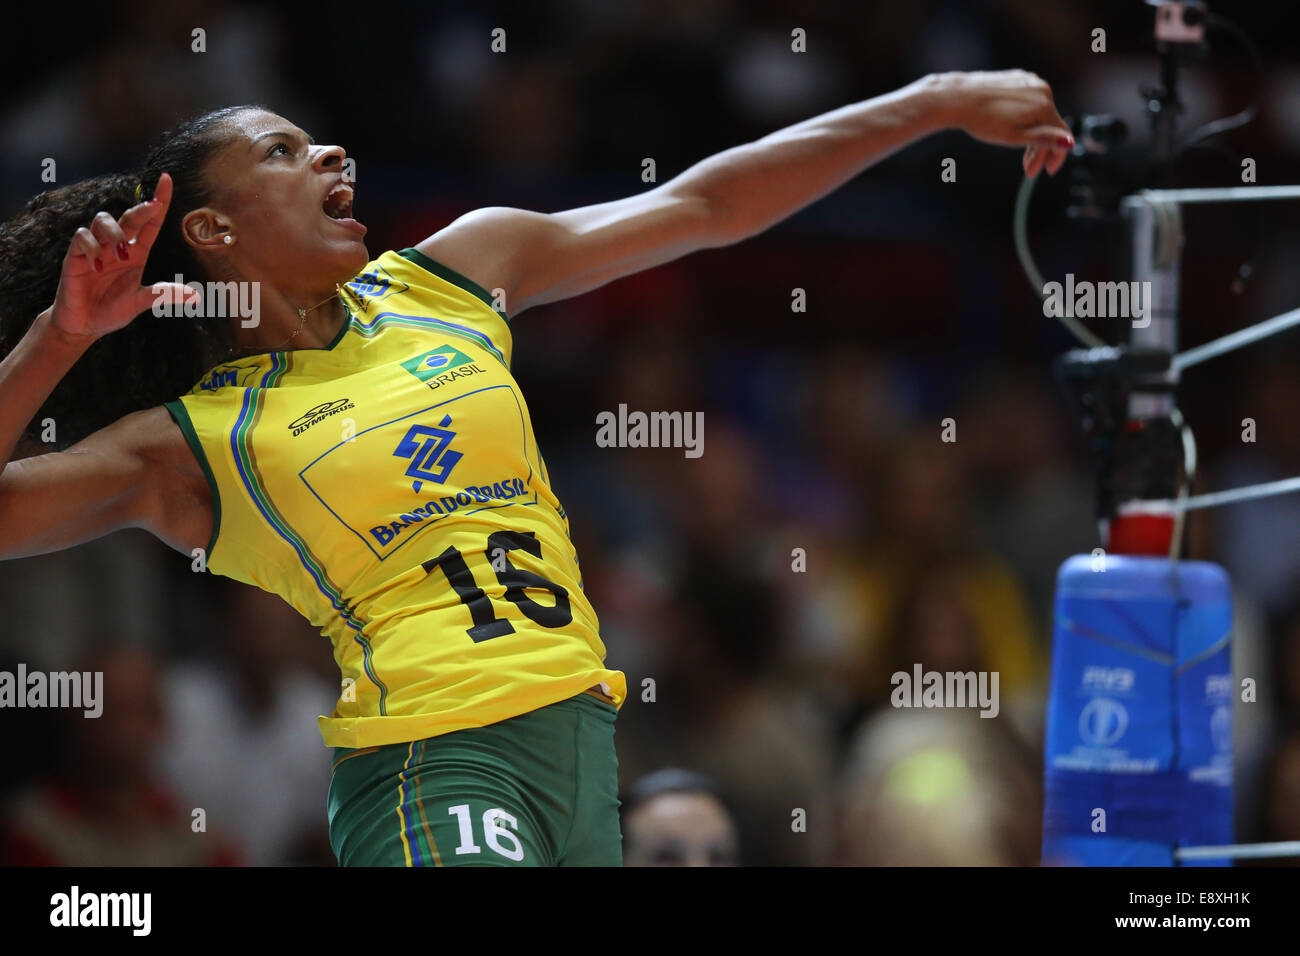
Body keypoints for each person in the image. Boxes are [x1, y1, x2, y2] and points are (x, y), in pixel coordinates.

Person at [0, 71, 1071, 866]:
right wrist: (58, 340)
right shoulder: (194, 439)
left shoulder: (451, 278)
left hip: (577, 745)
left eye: (324, 143)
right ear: (212, 227)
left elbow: (705, 207)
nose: (332, 160)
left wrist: (929, 102)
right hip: (432, 757)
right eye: (284, 152)